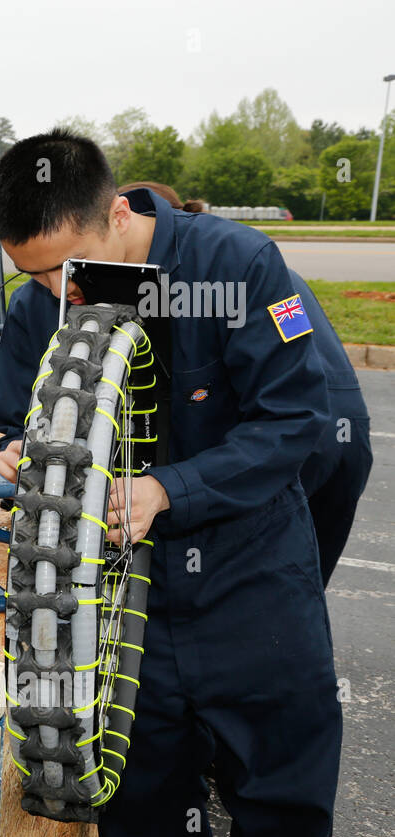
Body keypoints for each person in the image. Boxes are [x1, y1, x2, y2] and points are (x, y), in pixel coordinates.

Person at [0, 130, 342, 837]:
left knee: (281, 802)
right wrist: (17, 454)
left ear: (117, 213)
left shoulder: (236, 265)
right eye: (34, 275)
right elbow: (8, 424)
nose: (59, 293)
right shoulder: (35, 310)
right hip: (121, 604)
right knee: (143, 812)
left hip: (251, 581)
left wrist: (167, 489)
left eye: (66, 268)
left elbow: (295, 419)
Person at [120, 182, 372, 586]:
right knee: (307, 573)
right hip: (348, 423)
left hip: (305, 430)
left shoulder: (220, 276)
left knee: (263, 564)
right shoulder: (256, 268)